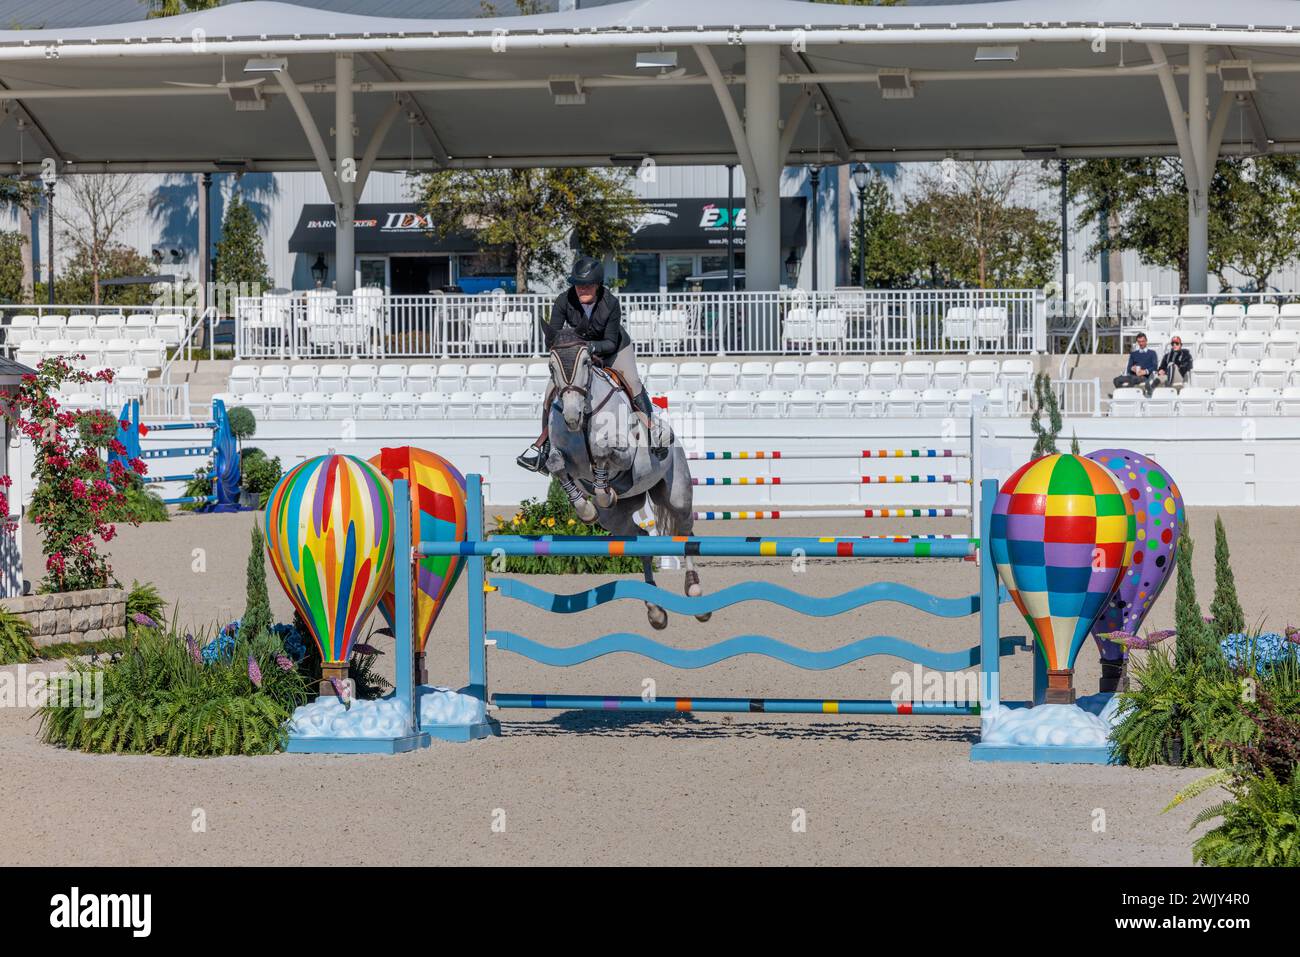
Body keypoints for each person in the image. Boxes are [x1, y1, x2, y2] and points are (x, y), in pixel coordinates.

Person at [517, 255, 658, 472]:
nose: (582, 289)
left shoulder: (611, 303)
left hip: (614, 349)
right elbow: (552, 337)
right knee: (549, 392)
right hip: (578, 352)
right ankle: (544, 448)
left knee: (633, 382)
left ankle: (652, 431)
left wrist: (590, 347)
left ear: (598, 285)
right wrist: (571, 347)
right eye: (578, 285)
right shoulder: (564, 300)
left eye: (588, 285)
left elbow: (610, 342)